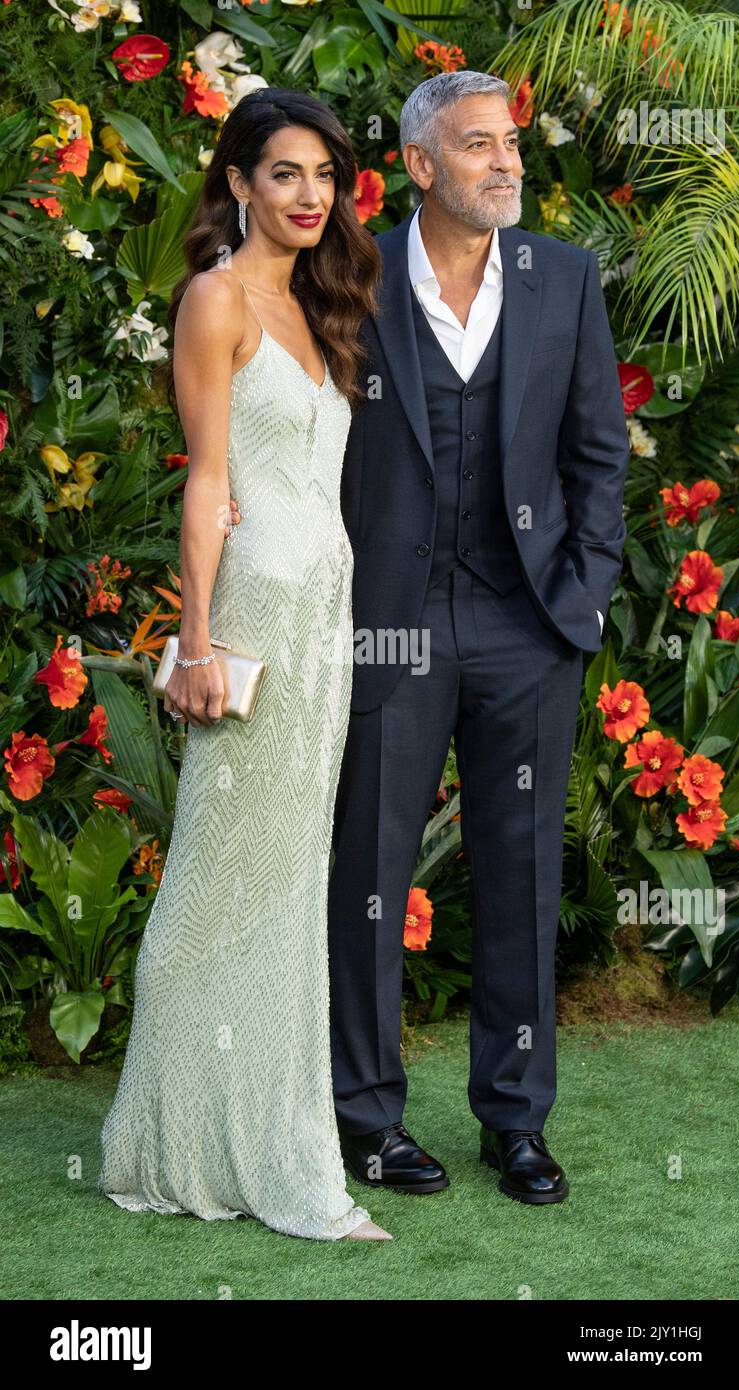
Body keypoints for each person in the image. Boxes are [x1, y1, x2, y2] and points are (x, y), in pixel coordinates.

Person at [326, 71, 630, 1204]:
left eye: (508, 144)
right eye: (475, 147)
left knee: (515, 872)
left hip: (523, 624)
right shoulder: (348, 285)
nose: (504, 162)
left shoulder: (563, 278)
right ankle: (366, 1120)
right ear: (417, 166)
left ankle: (515, 1122)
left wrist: (578, 597)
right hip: (387, 629)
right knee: (368, 873)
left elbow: (598, 454)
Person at [98, 88, 391, 1241]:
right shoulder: (215, 300)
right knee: (220, 874)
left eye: (322, 174)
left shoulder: (323, 304)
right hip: (255, 617)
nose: (308, 194)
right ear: (237, 181)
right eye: (283, 173)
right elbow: (208, 486)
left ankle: (254, 1126)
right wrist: (199, 641)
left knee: (279, 885)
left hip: (326, 610)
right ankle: (174, 1137)